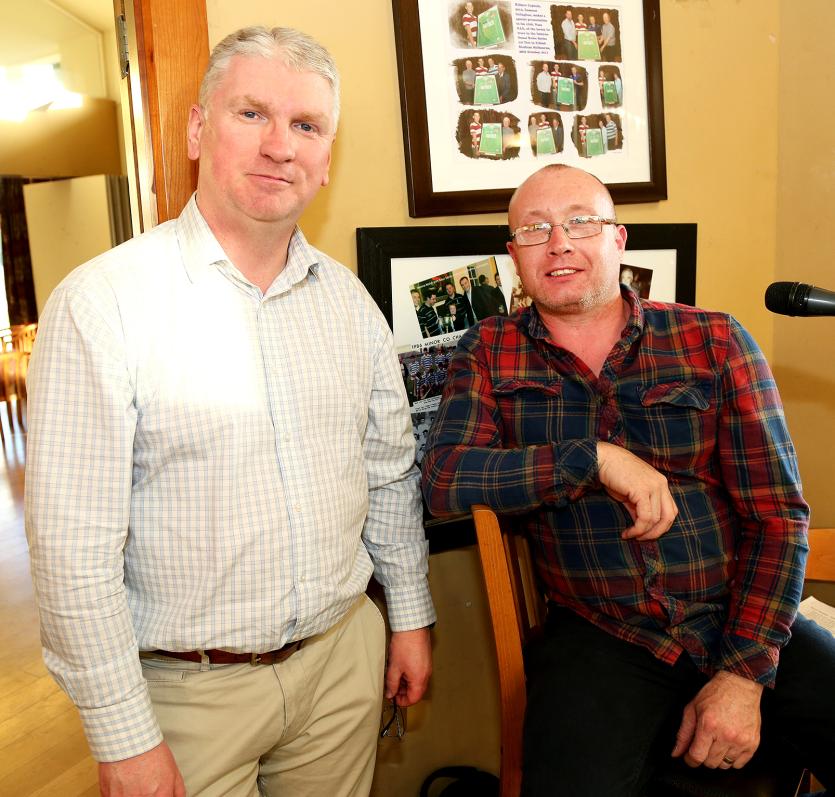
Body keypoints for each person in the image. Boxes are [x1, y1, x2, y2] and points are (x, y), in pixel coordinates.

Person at [25, 26, 435, 797]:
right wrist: (122, 735)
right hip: (188, 696)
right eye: (251, 114)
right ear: (195, 129)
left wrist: (408, 617)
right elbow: (74, 551)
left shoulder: (350, 306)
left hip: (343, 664)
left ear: (326, 156)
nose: (280, 145)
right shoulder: (103, 304)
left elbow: (387, 475)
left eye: (306, 125)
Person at [422, 164, 835, 796]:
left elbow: (778, 517)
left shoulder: (713, 340)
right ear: (513, 258)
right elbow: (446, 478)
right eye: (535, 230)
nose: (558, 243)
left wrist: (744, 675)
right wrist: (591, 458)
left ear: (618, 240)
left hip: (741, 617)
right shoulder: (489, 349)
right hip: (600, 633)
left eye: (580, 222)